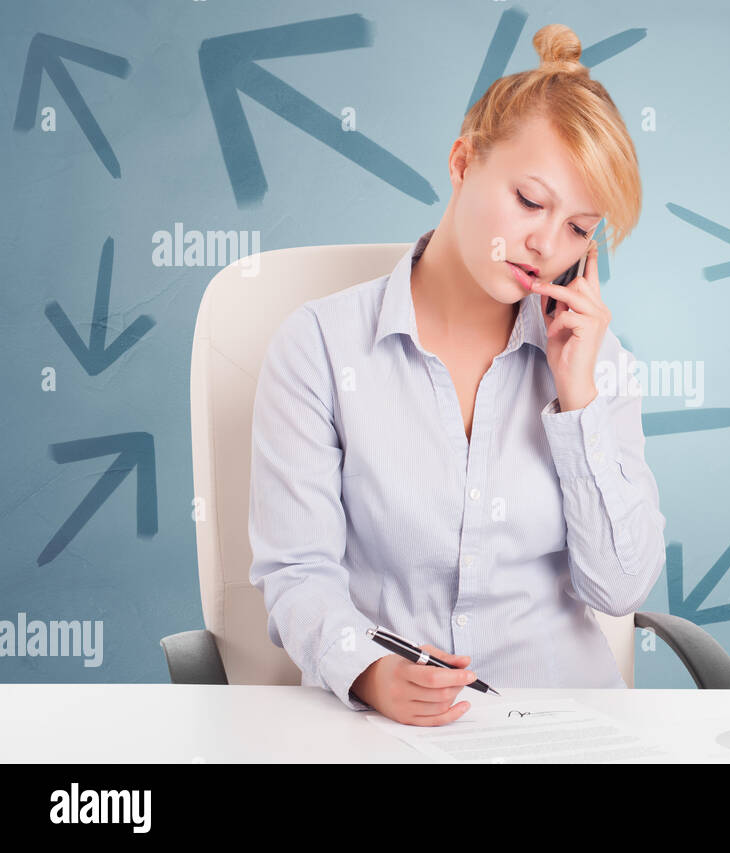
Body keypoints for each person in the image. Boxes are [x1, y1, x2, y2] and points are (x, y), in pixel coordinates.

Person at [248, 24, 665, 726]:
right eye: (531, 202)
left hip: (567, 730)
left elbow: (620, 587)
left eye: (578, 228)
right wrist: (372, 672)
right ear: (463, 162)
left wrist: (579, 398)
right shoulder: (319, 347)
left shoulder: (594, 364)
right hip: (391, 733)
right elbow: (298, 575)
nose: (545, 243)